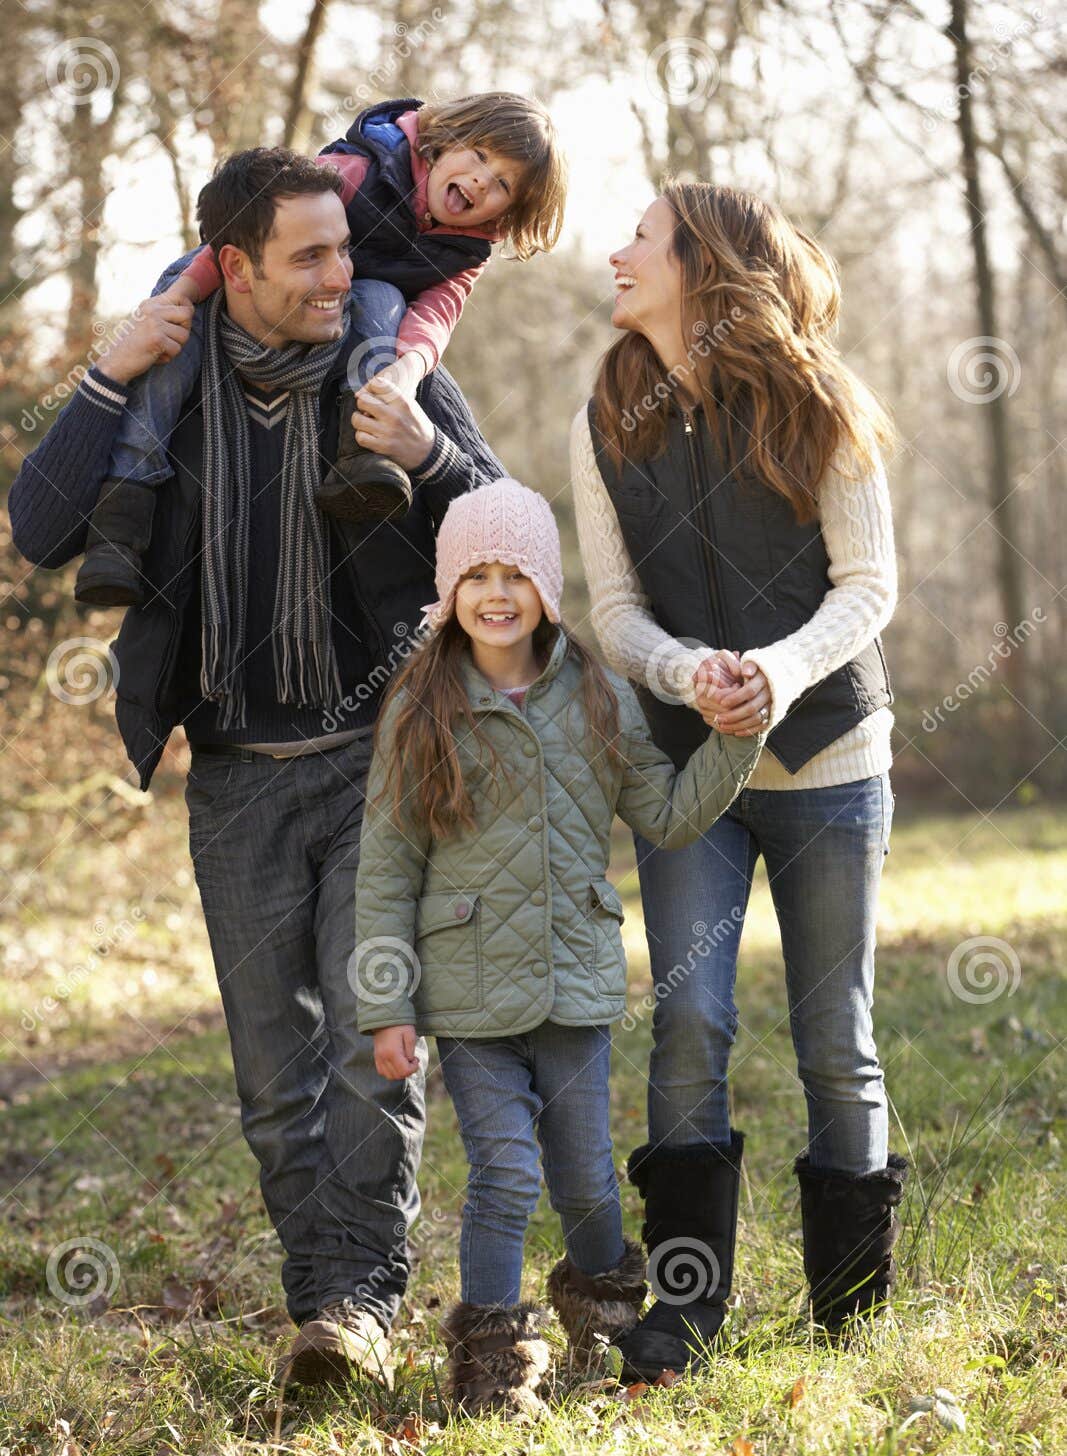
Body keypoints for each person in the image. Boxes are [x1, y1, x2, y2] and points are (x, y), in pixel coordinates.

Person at [8, 147, 506, 1389]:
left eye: (345, 246)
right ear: (233, 268)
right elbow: (38, 529)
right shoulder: (166, 378)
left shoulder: (385, 367)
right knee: (275, 1082)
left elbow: (508, 538)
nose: (345, 274)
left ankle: (357, 1307)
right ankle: (323, 1300)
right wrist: (103, 374)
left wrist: (430, 457)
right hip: (232, 779)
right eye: (311, 256)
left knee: (371, 1047)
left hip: (378, 765)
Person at [571, 182, 907, 1382]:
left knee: (834, 1037)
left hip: (828, 759)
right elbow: (613, 610)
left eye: (640, 239)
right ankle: (682, 1314)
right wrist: (686, 673)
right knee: (688, 1024)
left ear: (700, 266)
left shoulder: (819, 401)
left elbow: (866, 584)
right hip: (688, 776)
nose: (616, 254)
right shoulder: (606, 415)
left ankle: (851, 1315)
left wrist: (771, 671)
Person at [352, 478, 765, 1419]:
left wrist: (734, 740)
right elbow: (385, 866)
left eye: (516, 575)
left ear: (546, 588)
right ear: (450, 591)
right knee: (504, 1173)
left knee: (584, 1180)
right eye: (475, 576)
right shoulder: (421, 707)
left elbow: (666, 815)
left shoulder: (598, 695)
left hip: (574, 984)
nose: (496, 595)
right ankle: (491, 1365)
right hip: (468, 994)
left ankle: (604, 1312)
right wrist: (386, 1004)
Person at [72, 93, 566, 609]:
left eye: (503, 184)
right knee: (175, 340)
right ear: (444, 141)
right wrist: (177, 300)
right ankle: (123, 509)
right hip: (232, 274)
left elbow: (437, 316)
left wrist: (407, 377)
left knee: (383, 297)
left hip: (350, 321)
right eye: (479, 155)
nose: (482, 180)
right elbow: (252, 225)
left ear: (511, 210)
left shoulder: (465, 251)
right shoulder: (359, 170)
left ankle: (363, 455)